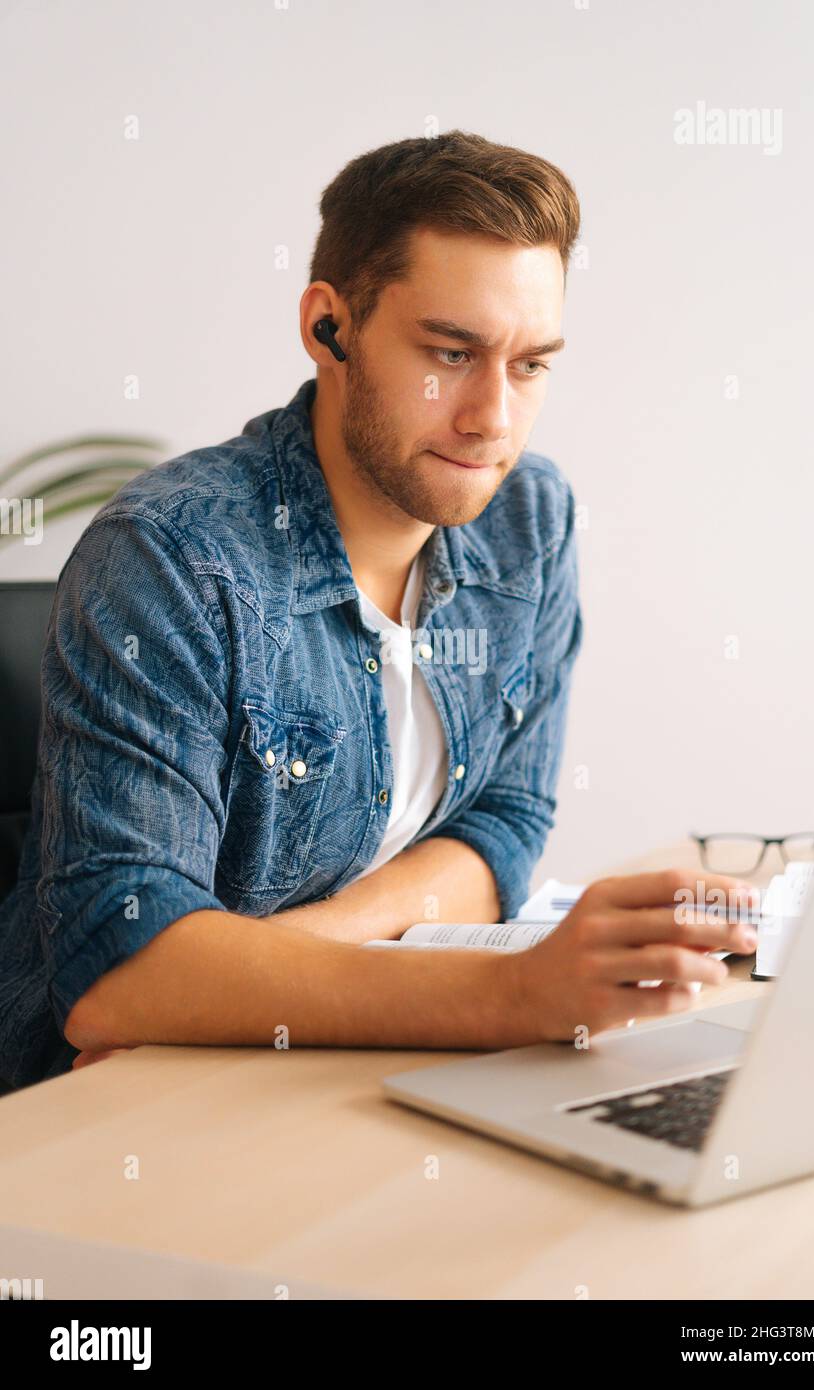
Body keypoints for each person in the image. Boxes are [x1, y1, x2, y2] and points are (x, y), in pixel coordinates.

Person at [0, 130, 757, 1089]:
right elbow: (120, 974)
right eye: (452, 352)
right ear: (330, 326)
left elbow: (503, 823)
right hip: (102, 1109)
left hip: (317, 1065)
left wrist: (246, 971)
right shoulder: (170, 560)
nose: (492, 418)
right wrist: (509, 998)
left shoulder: (531, 519)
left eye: (531, 365)